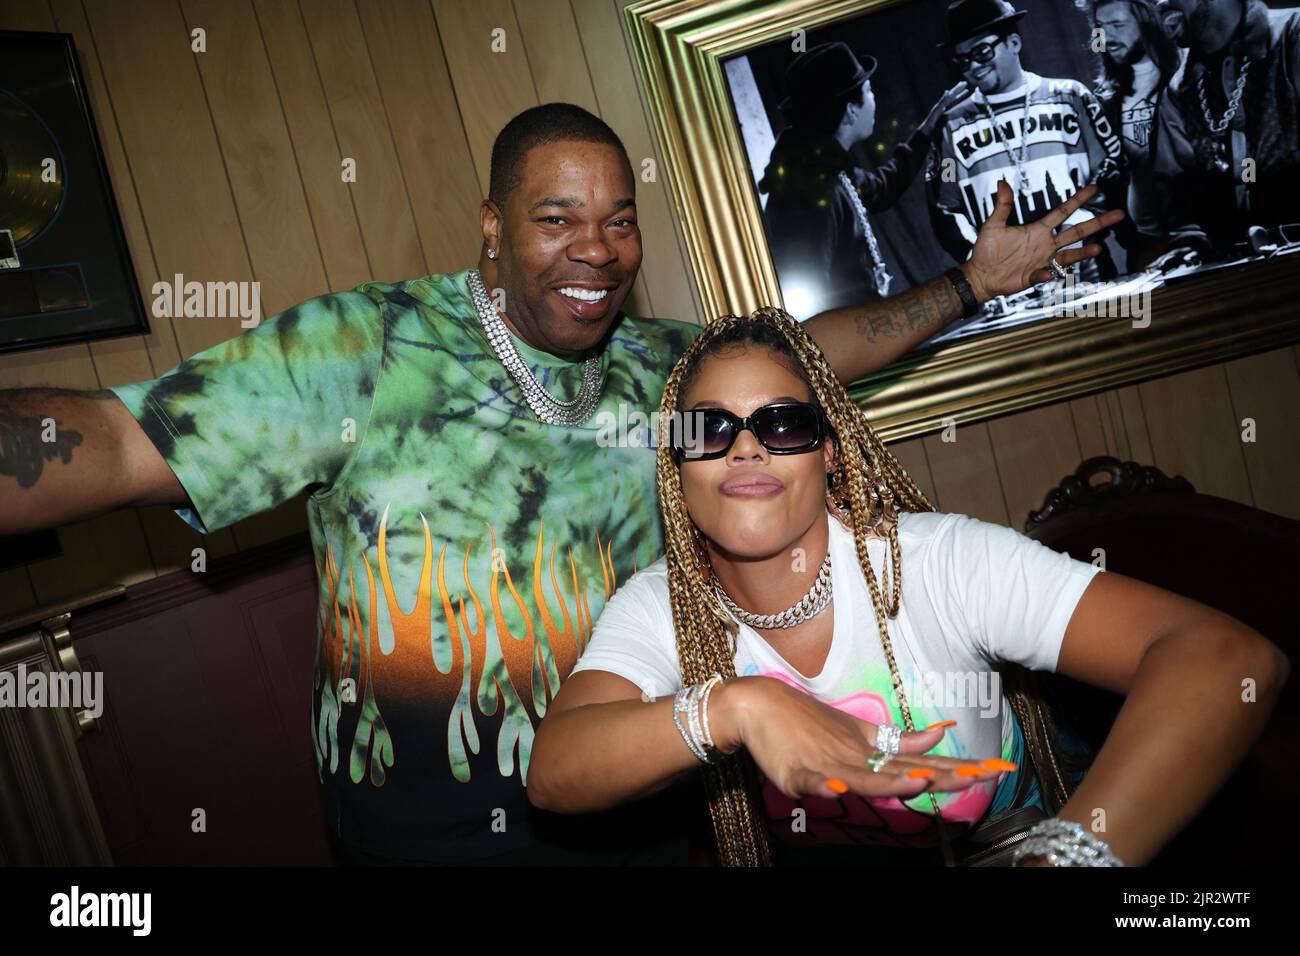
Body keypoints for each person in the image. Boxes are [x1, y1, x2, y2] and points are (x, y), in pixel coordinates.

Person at [0, 103, 1121, 866]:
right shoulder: (366, 349)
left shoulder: (657, 374)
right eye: (555, 219)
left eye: (617, 219)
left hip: (636, 801)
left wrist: (966, 286)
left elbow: (806, 352)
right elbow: (110, 440)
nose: (596, 247)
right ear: (493, 230)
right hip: (419, 831)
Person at [527, 306, 1290, 866]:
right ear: (676, 465)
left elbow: (1228, 660)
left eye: (784, 424)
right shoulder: (664, 606)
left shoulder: (938, 565)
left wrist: (1062, 860)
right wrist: (738, 705)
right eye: (710, 430)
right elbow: (556, 772)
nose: (749, 448)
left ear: (828, 453)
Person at [757, 42, 972, 313]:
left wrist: (928, 127)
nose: (874, 99)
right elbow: (807, 306)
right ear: (851, 110)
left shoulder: (827, 168)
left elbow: (882, 188)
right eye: (869, 92)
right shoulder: (811, 190)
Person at [926, 0, 1124, 280]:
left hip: (1083, 265)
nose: (973, 66)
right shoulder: (951, 125)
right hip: (1008, 281)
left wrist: (1077, 232)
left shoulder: (1071, 97)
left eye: (982, 52)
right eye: (962, 59)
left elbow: (1111, 173)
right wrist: (979, 258)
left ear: (1014, 43)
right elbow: (945, 208)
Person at [1144, 0, 1300, 253]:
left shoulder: (1292, 36)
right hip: (1237, 276)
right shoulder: (1177, 90)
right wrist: (1189, 245)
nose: (1158, 5)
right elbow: (1179, 204)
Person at [1077, 0, 1187, 270]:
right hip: (1145, 252)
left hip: (1204, 237)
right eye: (1101, 27)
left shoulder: (1185, 81)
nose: (1108, 36)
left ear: (1147, 24)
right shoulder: (1105, 104)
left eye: (1118, 25)